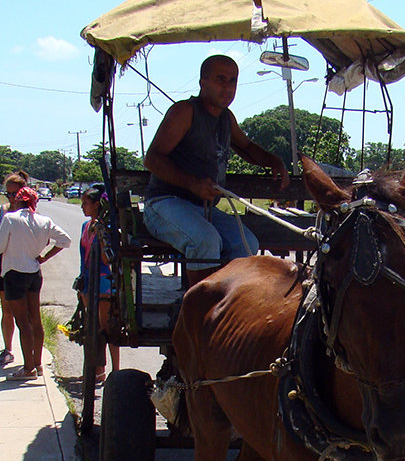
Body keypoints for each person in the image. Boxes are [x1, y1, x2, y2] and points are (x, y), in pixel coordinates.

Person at [143, 54, 289, 285]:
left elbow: (248, 148)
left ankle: (229, 308)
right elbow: (152, 159)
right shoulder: (184, 112)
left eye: (233, 81)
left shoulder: (225, 119)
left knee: (247, 243)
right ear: (203, 82)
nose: (228, 87)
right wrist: (191, 183)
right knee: (206, 240)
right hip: (164, 203)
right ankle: (200, 313)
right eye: (220, 79)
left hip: (203, 209)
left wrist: (274, 161)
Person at [0, 186, 71, 380]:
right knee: (35, 318)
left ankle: (28, 369)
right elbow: (64, 240)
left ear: (19, 200)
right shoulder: (44, 220)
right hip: (34, 271)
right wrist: (44, 256)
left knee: (22, 322)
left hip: (14, 272)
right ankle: (37, 363)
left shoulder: (11, 218)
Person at [0, 170, 30, 368]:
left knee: (27, 310)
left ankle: (30, 351)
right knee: (7, 309)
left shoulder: (30, 213)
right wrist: (1, 231)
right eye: (8, 194)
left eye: (15, 194)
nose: (11, 198)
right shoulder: (0, 212)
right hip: (3, 263)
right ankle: (8, 349)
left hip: (23, 263)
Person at [78, 183, 120, 382]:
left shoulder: (106, 228)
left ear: (96, 204)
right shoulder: (86, 227)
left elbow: (106, 259)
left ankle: (115, 370)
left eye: (85, 203)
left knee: (107, 328)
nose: (82, 207)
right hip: (88, 282)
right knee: (93, 327)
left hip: (103, 283)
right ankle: (98, 369)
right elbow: (83, 256)